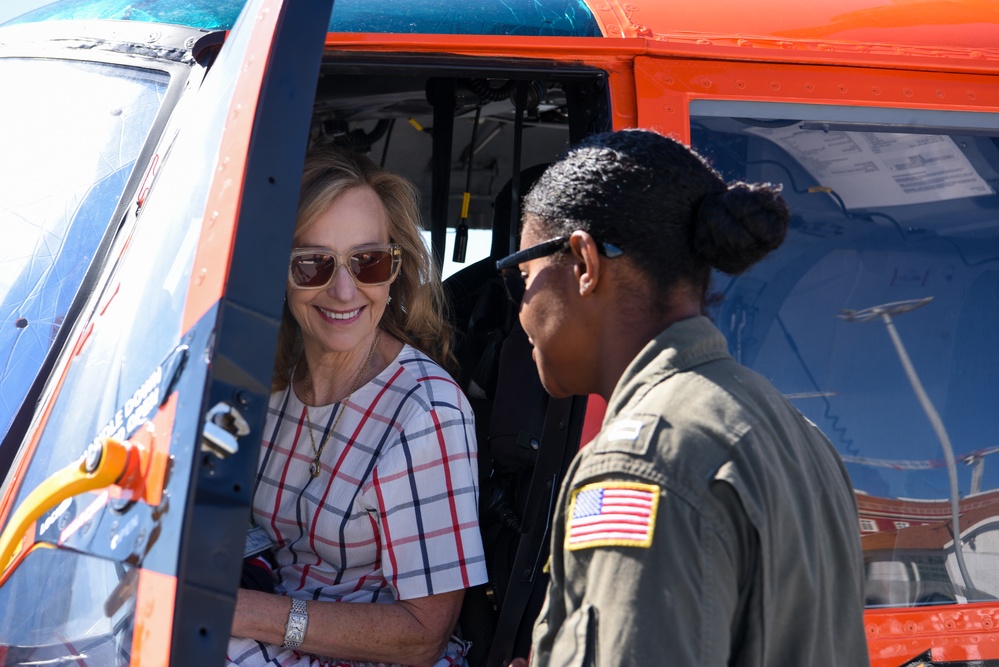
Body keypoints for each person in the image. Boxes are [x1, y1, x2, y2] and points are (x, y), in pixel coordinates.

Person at [497, 129, 870, 666]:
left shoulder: (641, 461)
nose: (522, 308)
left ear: (584, 263)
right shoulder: (791, 430)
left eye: (525, 276)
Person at [227, 145, 488, 667]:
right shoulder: (269, 380)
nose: (344, 290)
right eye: (312, 264)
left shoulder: (427, 413)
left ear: (395, 271)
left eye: (368, 262)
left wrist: (240, 612)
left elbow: (423, 636)